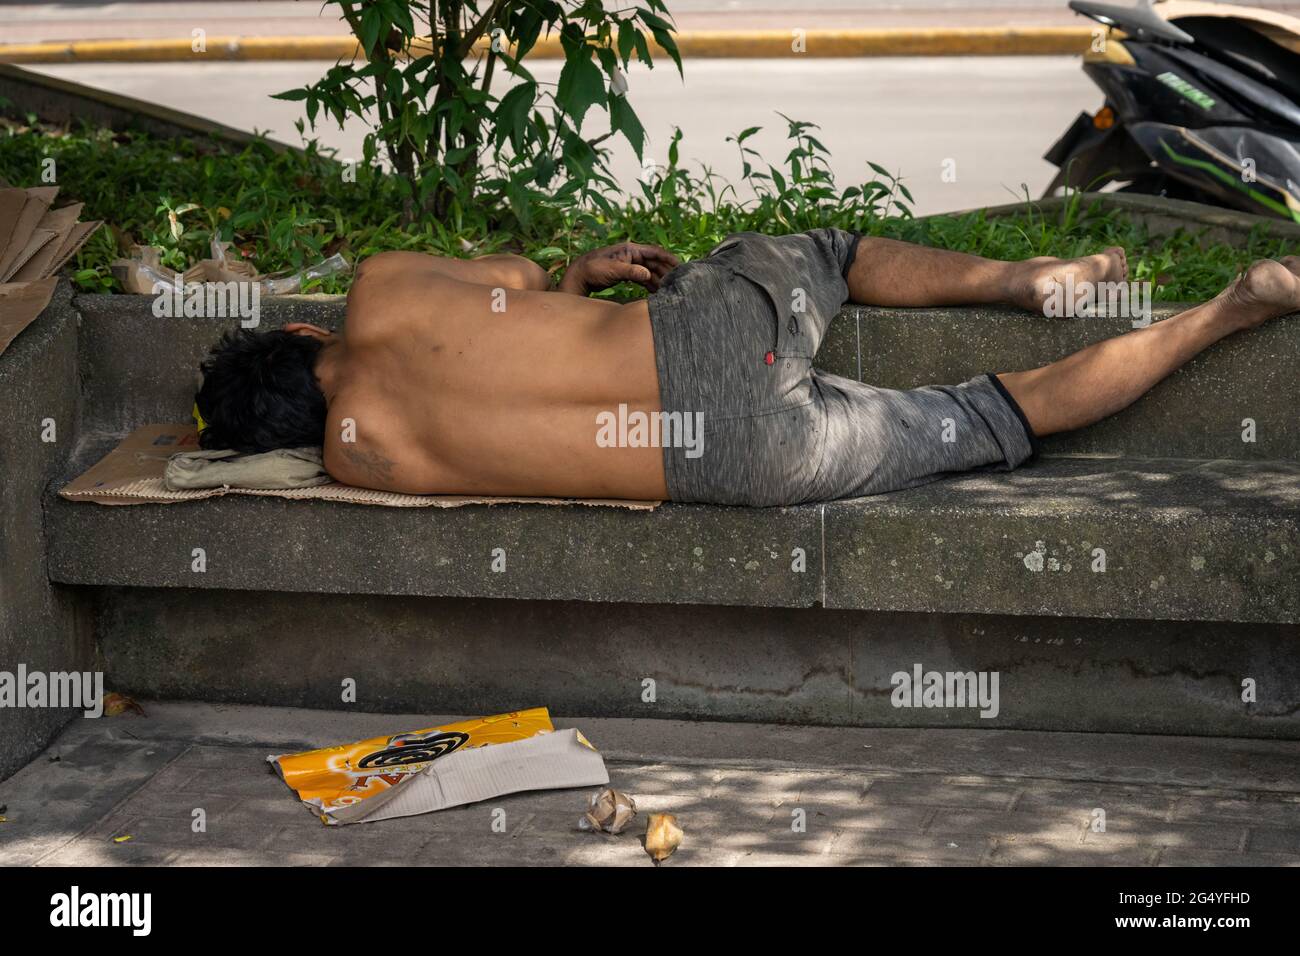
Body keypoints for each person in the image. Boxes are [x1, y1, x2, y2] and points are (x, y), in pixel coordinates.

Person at [193, 231, 1299, 504]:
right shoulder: (380, 285)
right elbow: (517, 275)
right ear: (293, 336)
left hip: (732, 455)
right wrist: (575, 279)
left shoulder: (360, 459)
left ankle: (1218, 314)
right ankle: (1022, 278)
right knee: (834, 256)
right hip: (708, 330)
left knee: (993, 411)